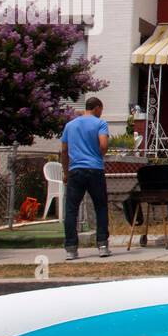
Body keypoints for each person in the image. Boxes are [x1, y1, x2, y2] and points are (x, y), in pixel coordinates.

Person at [59, 96, 111, 260]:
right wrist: (98, 155)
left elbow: (64, 151)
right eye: (101, 110)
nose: (101, 113)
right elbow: (103, 145)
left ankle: (71, 248)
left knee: (71, 210)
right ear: (97, 108)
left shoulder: (70, 125)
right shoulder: (100, 123)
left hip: (76, 170)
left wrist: (66, 172)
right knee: (100, 207)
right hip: (95, 169)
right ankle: (102, 245)